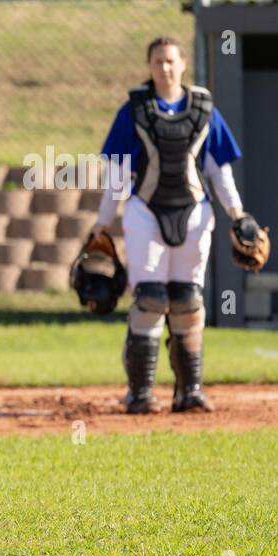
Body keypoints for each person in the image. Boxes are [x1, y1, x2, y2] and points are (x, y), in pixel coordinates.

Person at [90, 35, 251, 413]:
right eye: (157, 61)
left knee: (187, 301)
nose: (164, 67)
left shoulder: (204, 109)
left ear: (183, 65)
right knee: (149, 299)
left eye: (170, 60)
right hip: (145, 212)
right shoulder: (134, 110)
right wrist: (102, 222)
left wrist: (238, 214)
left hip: (194, 213)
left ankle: (189, 391)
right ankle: (141, 393)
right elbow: (117, 174)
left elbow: (218, 170)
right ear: (149, 67)